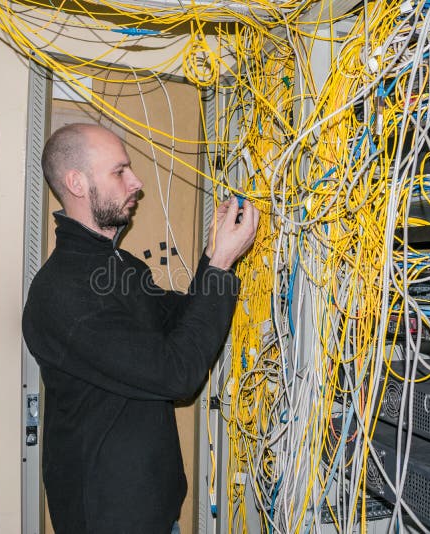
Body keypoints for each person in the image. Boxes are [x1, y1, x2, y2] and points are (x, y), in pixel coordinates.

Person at [22, 123, 259, 533]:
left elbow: (184, 320)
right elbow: (176, 374)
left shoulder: (121, 268)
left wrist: (211, 253)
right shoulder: (61, 294)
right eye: (120, 172)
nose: (137, 182)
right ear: (76, 183)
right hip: (109, 520)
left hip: (154, 511)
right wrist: (220, 266)